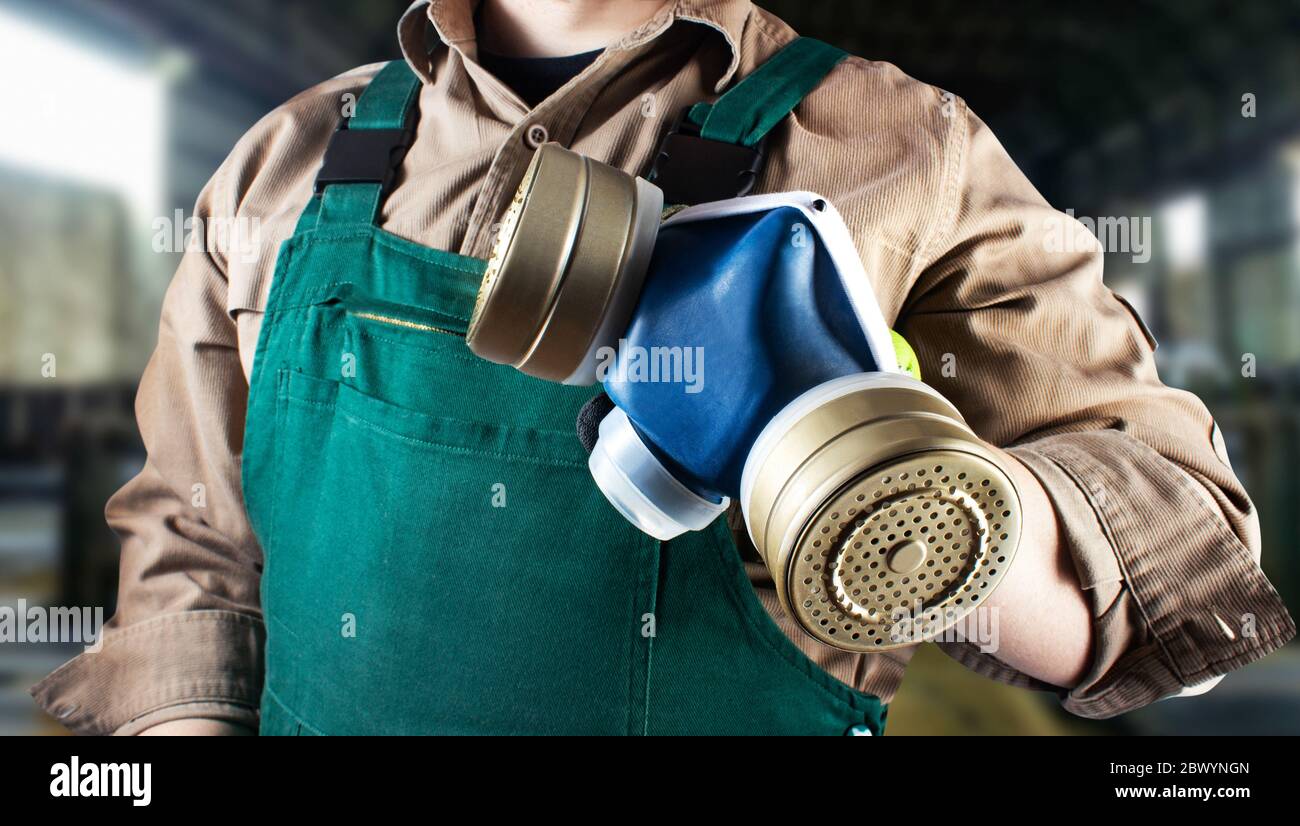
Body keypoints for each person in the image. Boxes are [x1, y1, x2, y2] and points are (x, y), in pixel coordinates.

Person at [34, 0, 1293, 735]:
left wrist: (838, 450)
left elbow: (1173, 565)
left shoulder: (898, 148)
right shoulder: (286, 164)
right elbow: (193, 570)